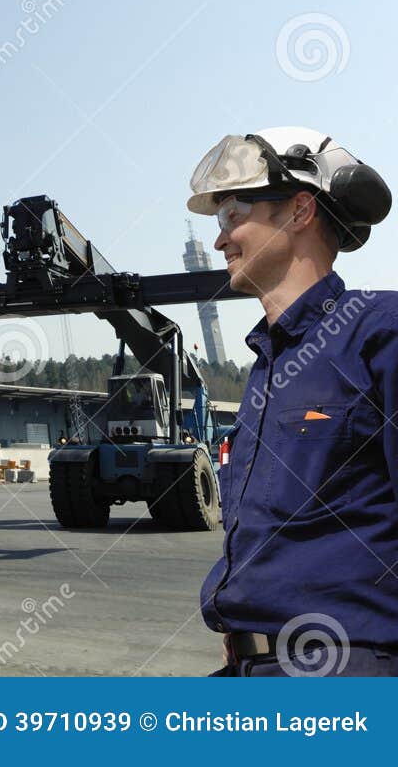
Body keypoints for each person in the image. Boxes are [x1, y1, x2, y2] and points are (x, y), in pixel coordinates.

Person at [187, 126, 396, 676]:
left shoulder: (381, 333)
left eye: (234, 216)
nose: (220, 240)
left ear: (300, 210)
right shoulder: (268, 367)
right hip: (252, 667)